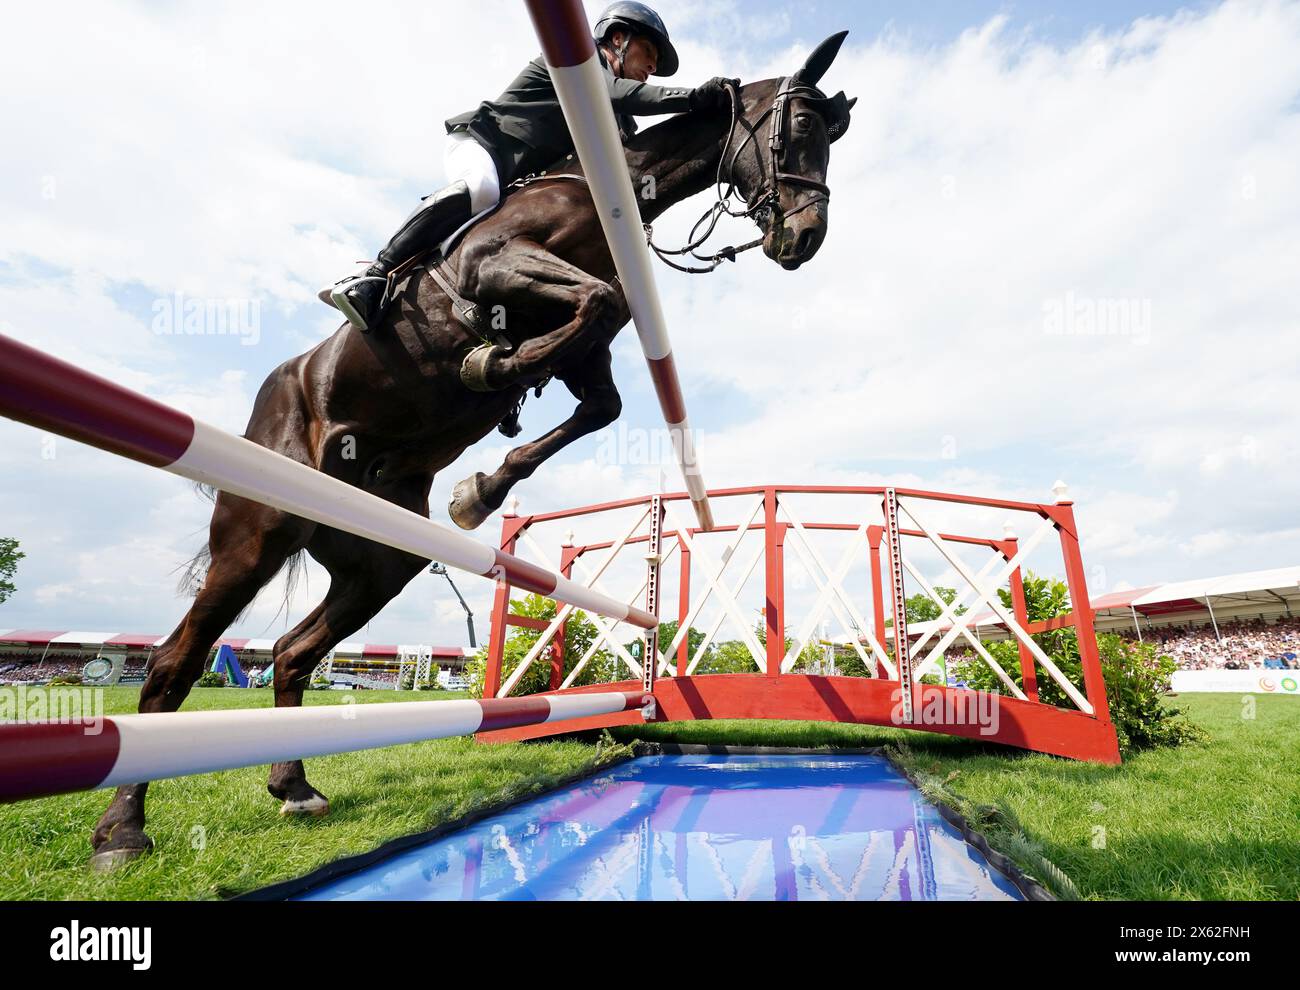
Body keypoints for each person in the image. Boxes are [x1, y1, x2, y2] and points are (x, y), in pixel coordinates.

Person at [323, 2, 737, 333]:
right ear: (618, 39)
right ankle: (372, 276)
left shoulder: (620, 119)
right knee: (479, 189)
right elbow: (622, 93)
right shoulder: (579, 61)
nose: (650, 68)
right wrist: (691, 98)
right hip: (484, 146)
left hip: (519, 186)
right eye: (649, 54)